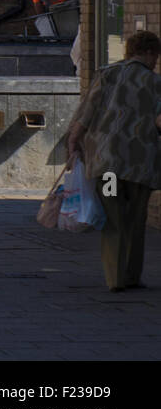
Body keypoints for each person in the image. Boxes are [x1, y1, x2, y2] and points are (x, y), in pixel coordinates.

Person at [66, 30, 161, 292]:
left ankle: (114, 278)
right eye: (156, 56)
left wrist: (73, 142)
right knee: (136, 219)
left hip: (107, 165)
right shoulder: (155, 82)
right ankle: (131, 276)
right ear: (151, 53)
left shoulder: (107, 75)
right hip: (142, 166)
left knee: (113, 219)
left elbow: (86, 113)